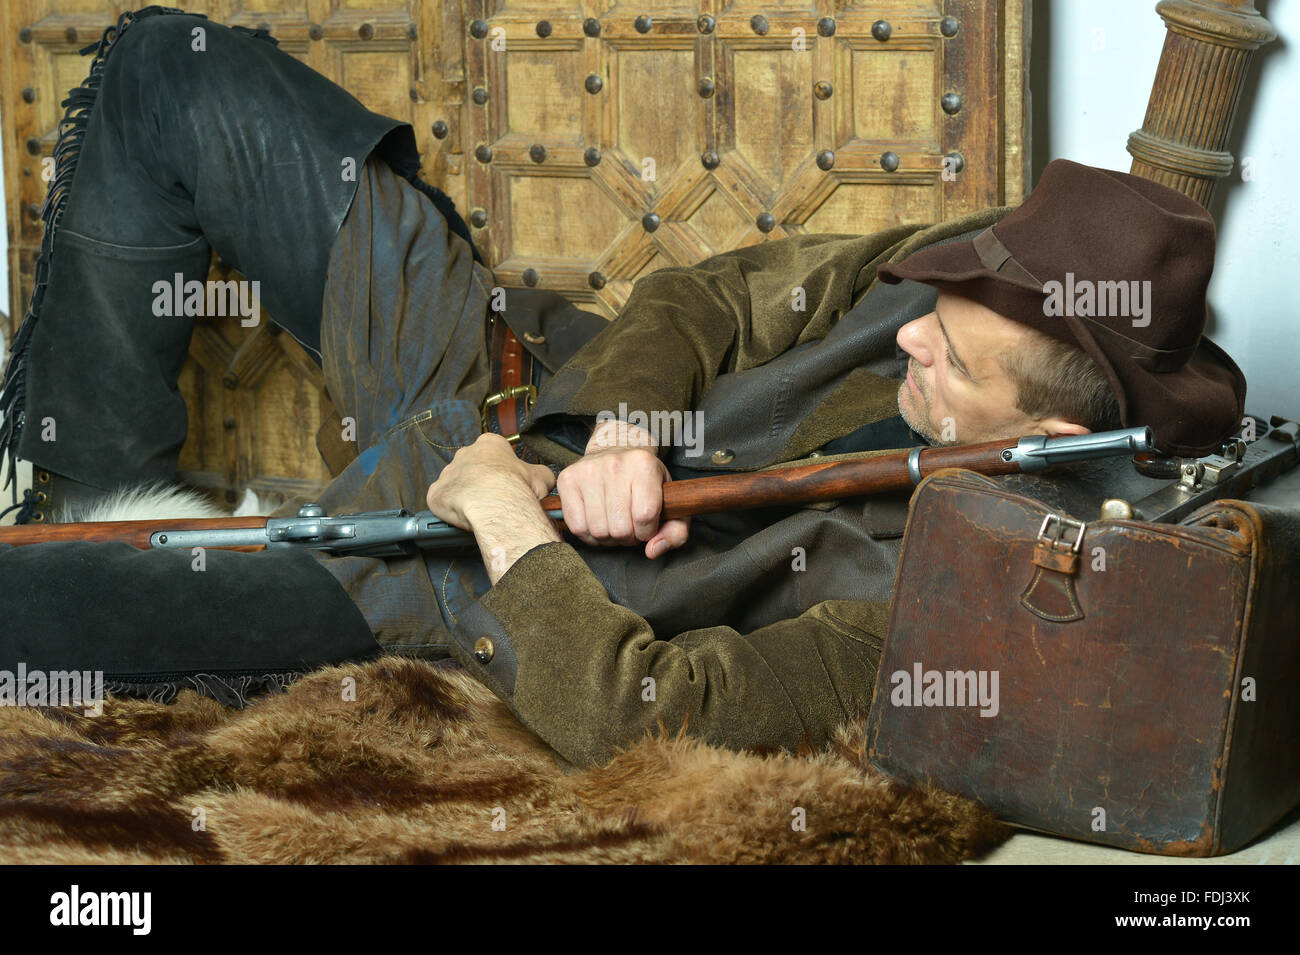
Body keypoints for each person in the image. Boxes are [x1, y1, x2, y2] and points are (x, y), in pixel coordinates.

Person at [0, 7, 1245, 765]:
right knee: (167, 68)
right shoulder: (974, 278)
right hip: (501, 373)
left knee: (26, 608)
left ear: (1051, 430)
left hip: (436, 568)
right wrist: (613, 430)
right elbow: (703, 298)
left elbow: (646, 715)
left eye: (955, 364)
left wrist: (499, 514)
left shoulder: (954, 604)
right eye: (933, 317)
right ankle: (76, 474)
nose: (916, 338)